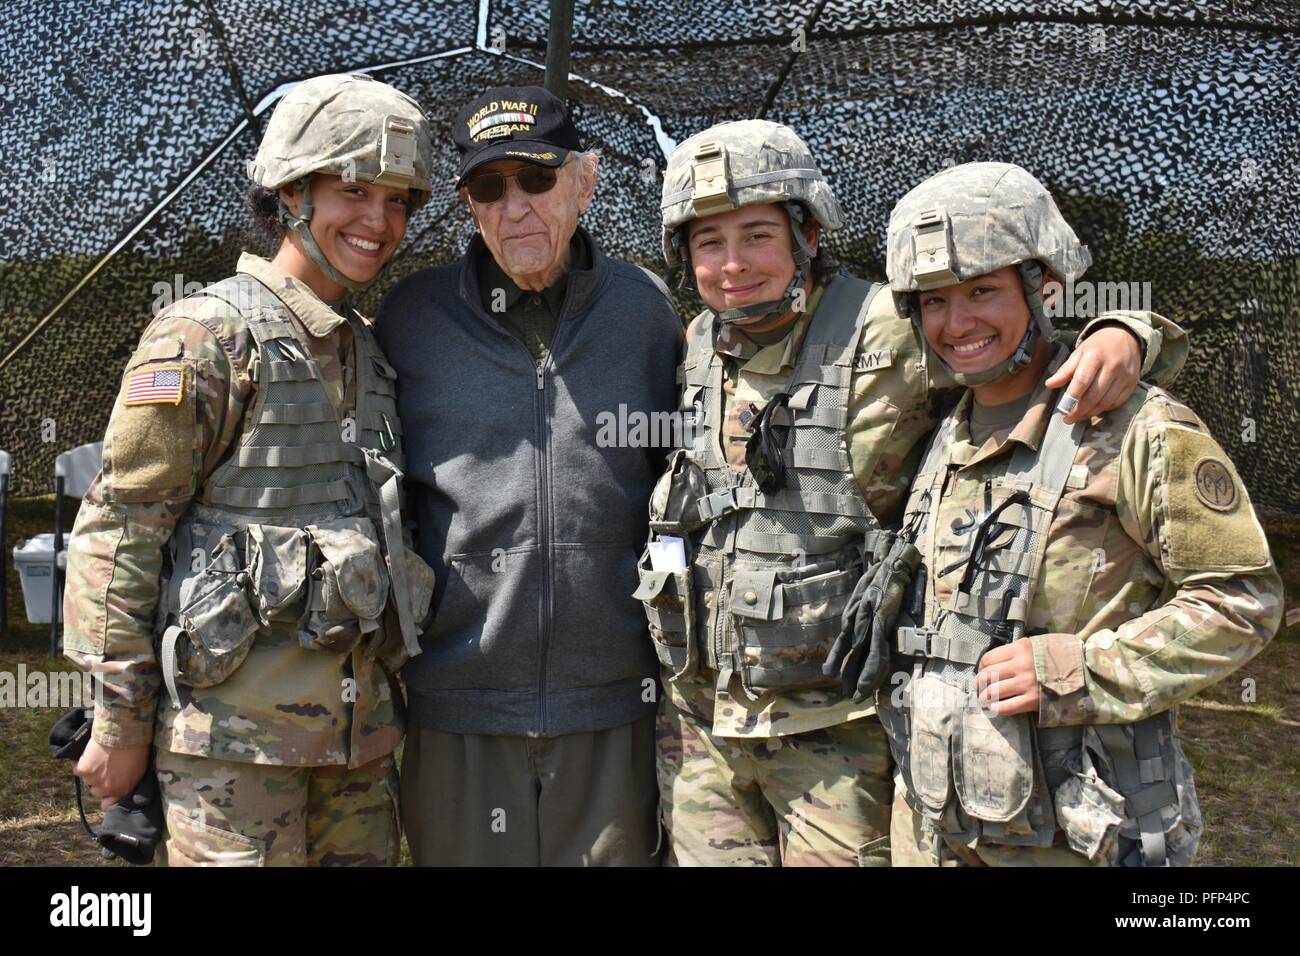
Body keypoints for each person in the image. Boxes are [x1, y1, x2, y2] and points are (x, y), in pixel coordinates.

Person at [645, 120, 1187, 866]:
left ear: (806, 232)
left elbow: (1006, 346)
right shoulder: (699, 340)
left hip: (838, 734)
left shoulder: (891, 326)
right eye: (709, 243)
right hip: (705, 720)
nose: (734, 264)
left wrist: (1127, 332)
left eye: (757, 235)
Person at [62, 73, 437, 866]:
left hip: (358, 751)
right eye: (354, 190)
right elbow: (119, 535)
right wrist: (120, 724)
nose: (379, 221)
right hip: (232, 754)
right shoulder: (207, 335)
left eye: (399, 199)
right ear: (291, 193)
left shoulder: (366, 348)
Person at [879, 161, 1283, 866]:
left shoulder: (1138, 427)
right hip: (940, 819)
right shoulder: (944, 430)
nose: (957, 321)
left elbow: (1242, 600)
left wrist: (1078, 670)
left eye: (983, 290)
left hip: (1082, 827)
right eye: (934, 301)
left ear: (1046, 288)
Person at [376, 85, 680, 866]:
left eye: (537, 180)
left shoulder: (649, 312)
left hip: (611, 704)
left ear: (586, 178)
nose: (515, 208)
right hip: (459, 707)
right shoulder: (409, 320)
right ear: (468, 203)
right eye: (489, 187)